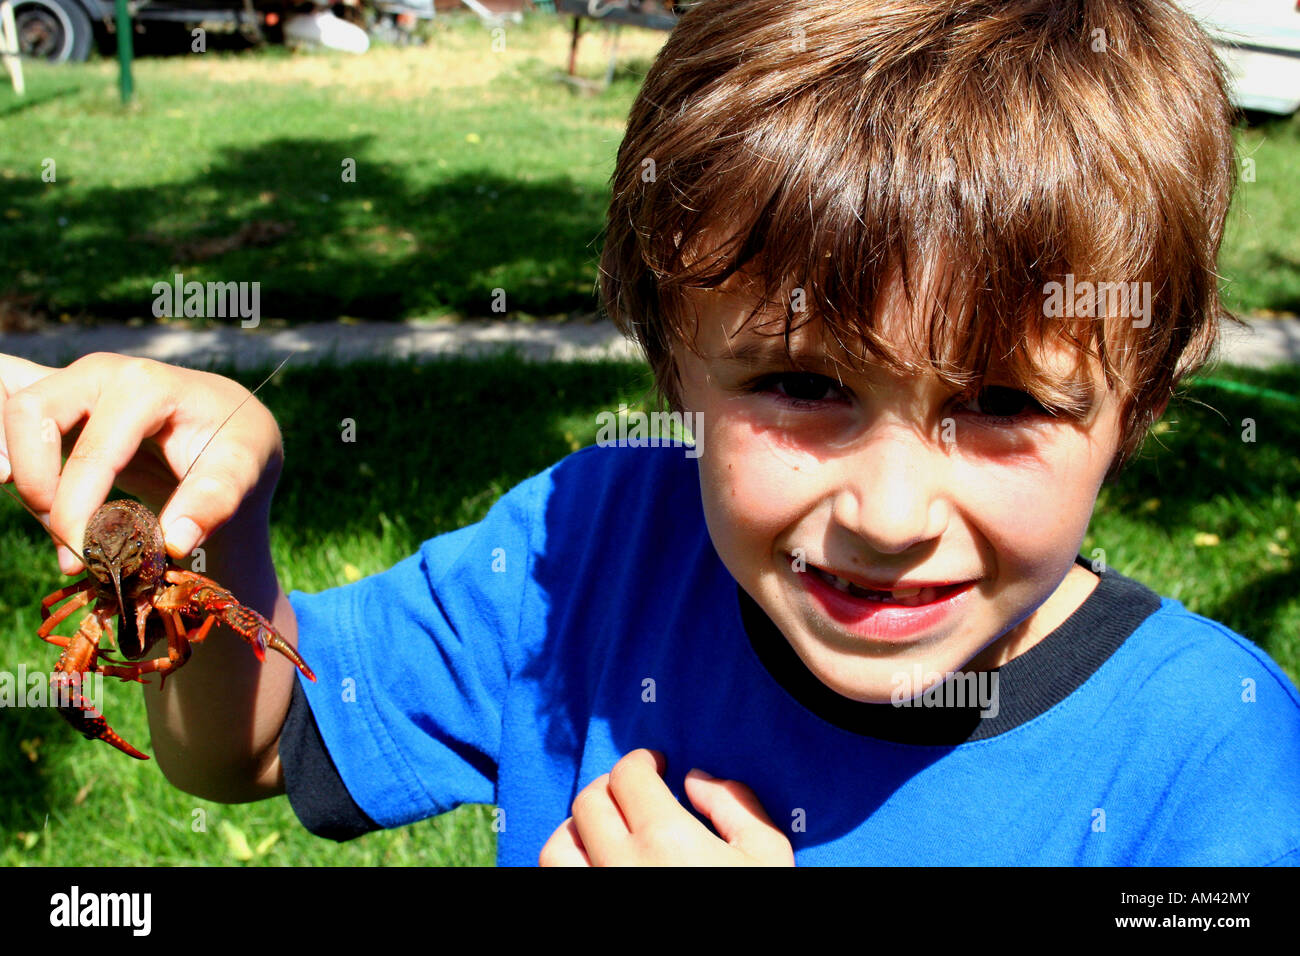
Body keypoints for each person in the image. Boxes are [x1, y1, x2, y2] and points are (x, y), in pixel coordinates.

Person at [2, 0, 1298, 865]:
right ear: (673, 363)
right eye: (801, 384)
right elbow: (255, 745)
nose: (891, 514)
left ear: (1139, 406)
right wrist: (219, 537)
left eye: (1004, 405)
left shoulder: (1213, 757)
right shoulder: (586, 548)